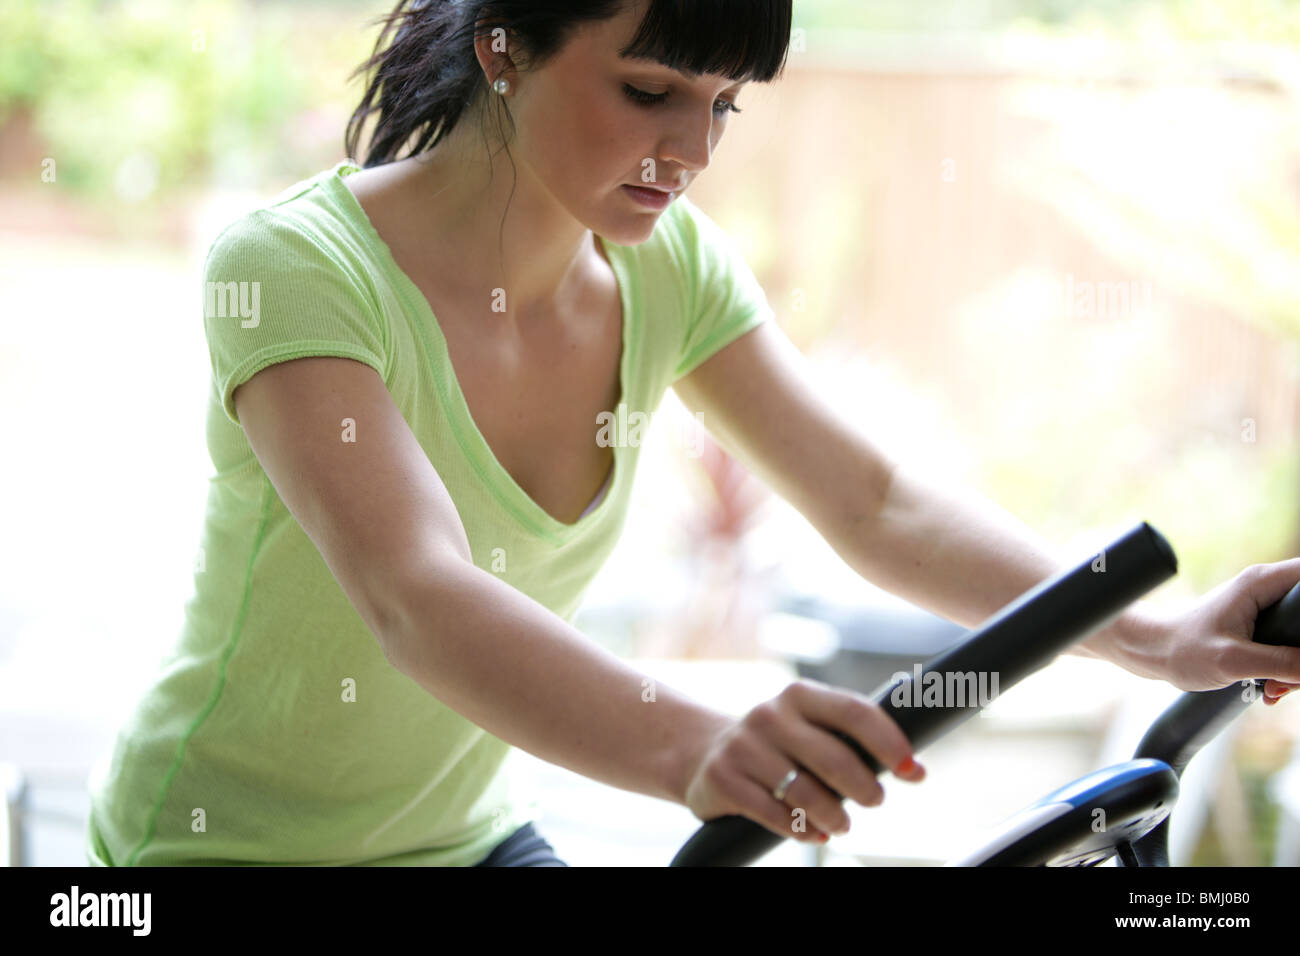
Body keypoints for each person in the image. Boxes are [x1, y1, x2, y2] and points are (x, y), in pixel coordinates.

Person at [85, 0, 1300, 868]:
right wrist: (701, 747)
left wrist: (1154, 634)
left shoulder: (666, 274)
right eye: (649, 89)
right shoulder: (296, 269)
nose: (694, 150)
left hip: (462, 842)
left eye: (722, 103)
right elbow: (418, 594)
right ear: (502, 49)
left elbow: (875, 503)